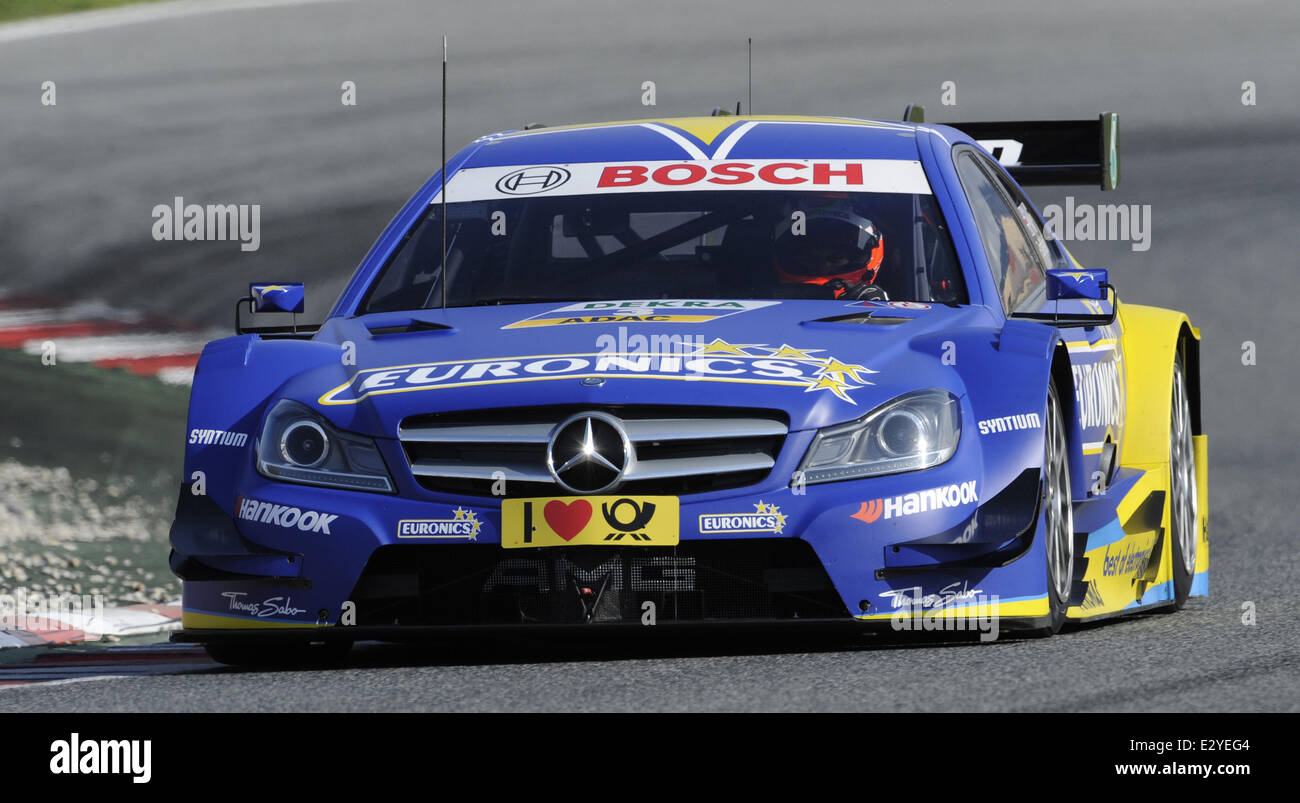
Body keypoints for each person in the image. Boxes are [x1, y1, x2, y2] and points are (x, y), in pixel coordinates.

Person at [772, 199, 888, 300]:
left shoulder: (889, 297)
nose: (823, 267)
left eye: (836, 258)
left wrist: (878, 309)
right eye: (811, 259)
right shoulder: (763, 299)